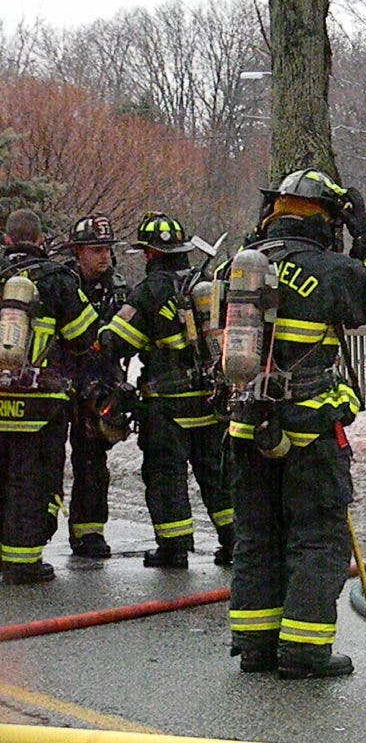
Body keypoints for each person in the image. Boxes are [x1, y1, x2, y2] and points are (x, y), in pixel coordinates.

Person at [226, 169, 366, 679]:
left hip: (246, 428)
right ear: (331, 220)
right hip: (308, 434)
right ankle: (304, 651)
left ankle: (255, 644)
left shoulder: (238, 269)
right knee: (317, 540)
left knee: (258, 537)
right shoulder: (332, 270)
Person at [99, 212, 233, 569]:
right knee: (217, 476)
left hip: (167, 406)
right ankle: (234, 542)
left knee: (165, 476)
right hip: (209, 402)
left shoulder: (149, 291)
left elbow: (117, 342)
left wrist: (105, 331)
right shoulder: (205, 283)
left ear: (149, 253)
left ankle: (173, 549)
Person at [0, 209, 101, 584]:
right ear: (41, 241)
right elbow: (85, 337)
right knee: (32, 481)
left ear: (8, 240)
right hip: (40, 405)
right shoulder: (58, 279)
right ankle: (24, 562)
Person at [61, 214, 129, 558]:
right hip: (60, 384)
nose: (105, 256)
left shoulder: (116, 289)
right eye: (97, 249)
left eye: (108, 249)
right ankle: (26, 536)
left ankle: (89, 533)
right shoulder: (62, 283)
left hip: (99, 383)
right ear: (78, 251)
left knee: (92, 463)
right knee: (46, 460)